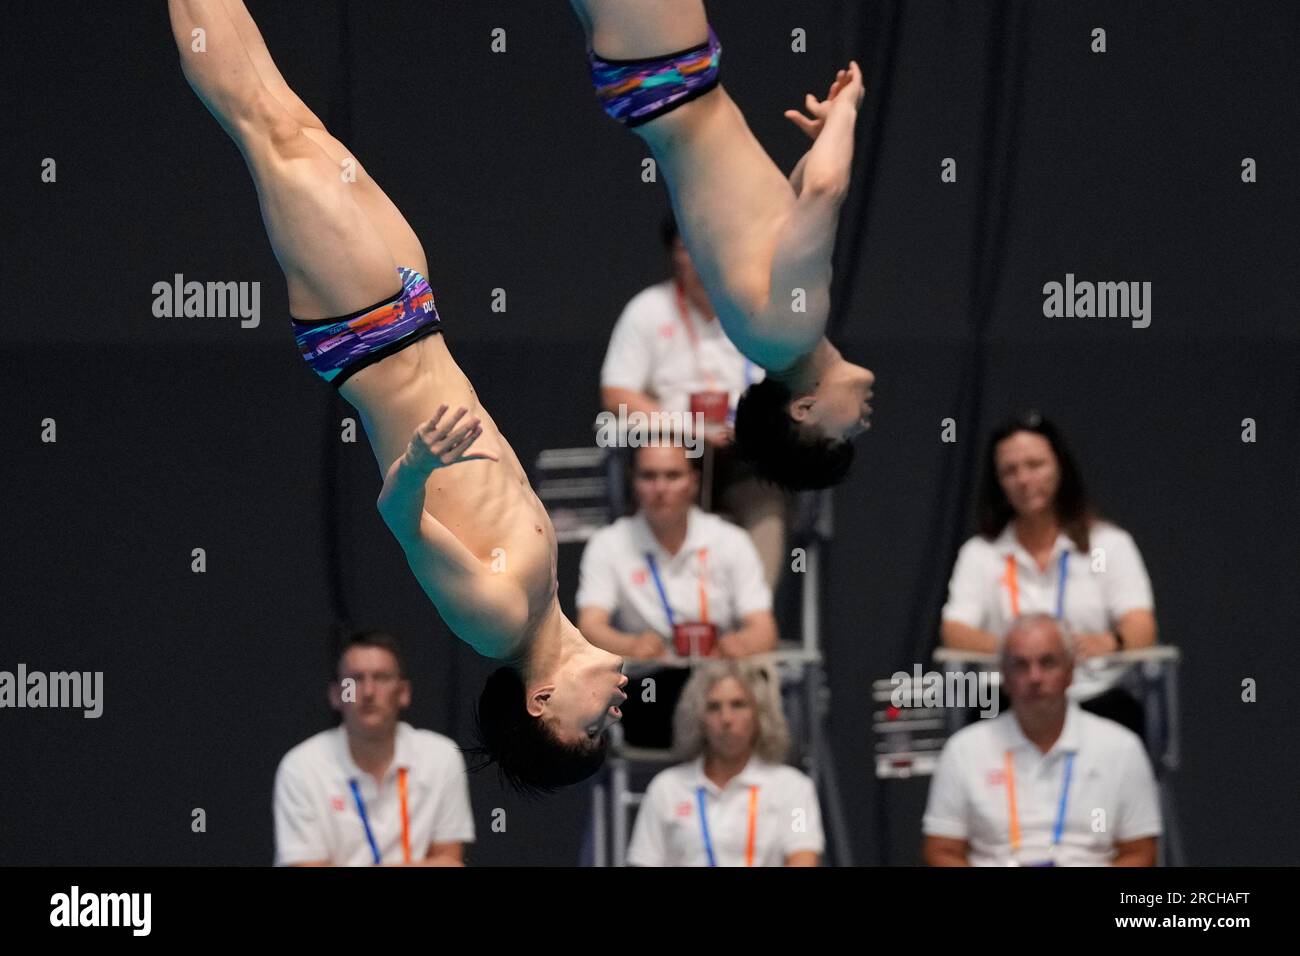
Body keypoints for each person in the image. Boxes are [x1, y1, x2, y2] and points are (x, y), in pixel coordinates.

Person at [169, 0, 625, 794]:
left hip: (364, 330)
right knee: (290, 120)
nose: (617, 707)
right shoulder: (543, 594)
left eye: (594, 725)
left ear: (544, 702)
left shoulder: (497, 623)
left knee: (261, 128)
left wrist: (415, 465)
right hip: (410, 312)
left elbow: (399, 520)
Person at [569, 0, 875, 491]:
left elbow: (824, 191)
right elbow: (791, 208)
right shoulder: (772, 340)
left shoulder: (791, 330)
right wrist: (825, 142)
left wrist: (847, 113)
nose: (863, 425)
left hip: (667, 76)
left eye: (844, 438)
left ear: (805, 409)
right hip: (657, 87)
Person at [941, 412, 1158, 735]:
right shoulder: (982, 554)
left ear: (1060, 467)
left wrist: (1111, 641)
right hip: (1007, 704)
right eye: (1010, 471)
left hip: (1094, 699)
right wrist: (1019, 649)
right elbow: (955, 631)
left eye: (1035, 464)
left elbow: (1141, 626)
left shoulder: (1104, 547)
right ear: (998, 482)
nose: (1024, 479)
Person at [601, 215, 788, 589]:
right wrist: (690, 428)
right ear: (674, 256)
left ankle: (751, 619)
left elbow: (790, 390)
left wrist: (757, 422)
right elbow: (617, 396)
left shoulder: (760, 314)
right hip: (675, 450)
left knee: (768, 501)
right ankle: (665, 618)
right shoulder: (648, 310)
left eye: (712, 251)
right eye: (688, 249)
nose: (701, 260)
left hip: (743, 457)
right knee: (660, 481)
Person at [577, 443, 777, 747]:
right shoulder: (608, 544)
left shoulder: (730, 540)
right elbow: (590, 627)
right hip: (650, 683)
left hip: (718, 676)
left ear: (693, 483)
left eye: (672, 476)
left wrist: (739, 644)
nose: (660, 488)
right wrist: (630, 644)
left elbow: (763, 628)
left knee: (743, 688)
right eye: (649, 476)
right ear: (635, 482)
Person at [923, 615, 1161, 867]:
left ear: (1070, 671)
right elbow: (942, 851)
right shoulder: (963, 750)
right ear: (1003, 675)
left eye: (1048, 663)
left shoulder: (1121, 748)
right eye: (1020, 665)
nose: (1034, 677)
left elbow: (1140, 852)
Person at [273, 630, 474, 866]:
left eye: (381, 678)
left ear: (403, 692)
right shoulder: (301, 767)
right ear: (336, 695)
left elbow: (449, 862)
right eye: (355, 679)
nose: (368, 692)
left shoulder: (441, 757)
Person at [627, 661, 823, 866]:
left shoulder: (793, 788)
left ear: (760, 715)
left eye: (738, 705)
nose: (726, 718)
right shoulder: (666, 788)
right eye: (713, 707)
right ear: (698, 718)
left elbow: (803, 854)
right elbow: (644, 860)